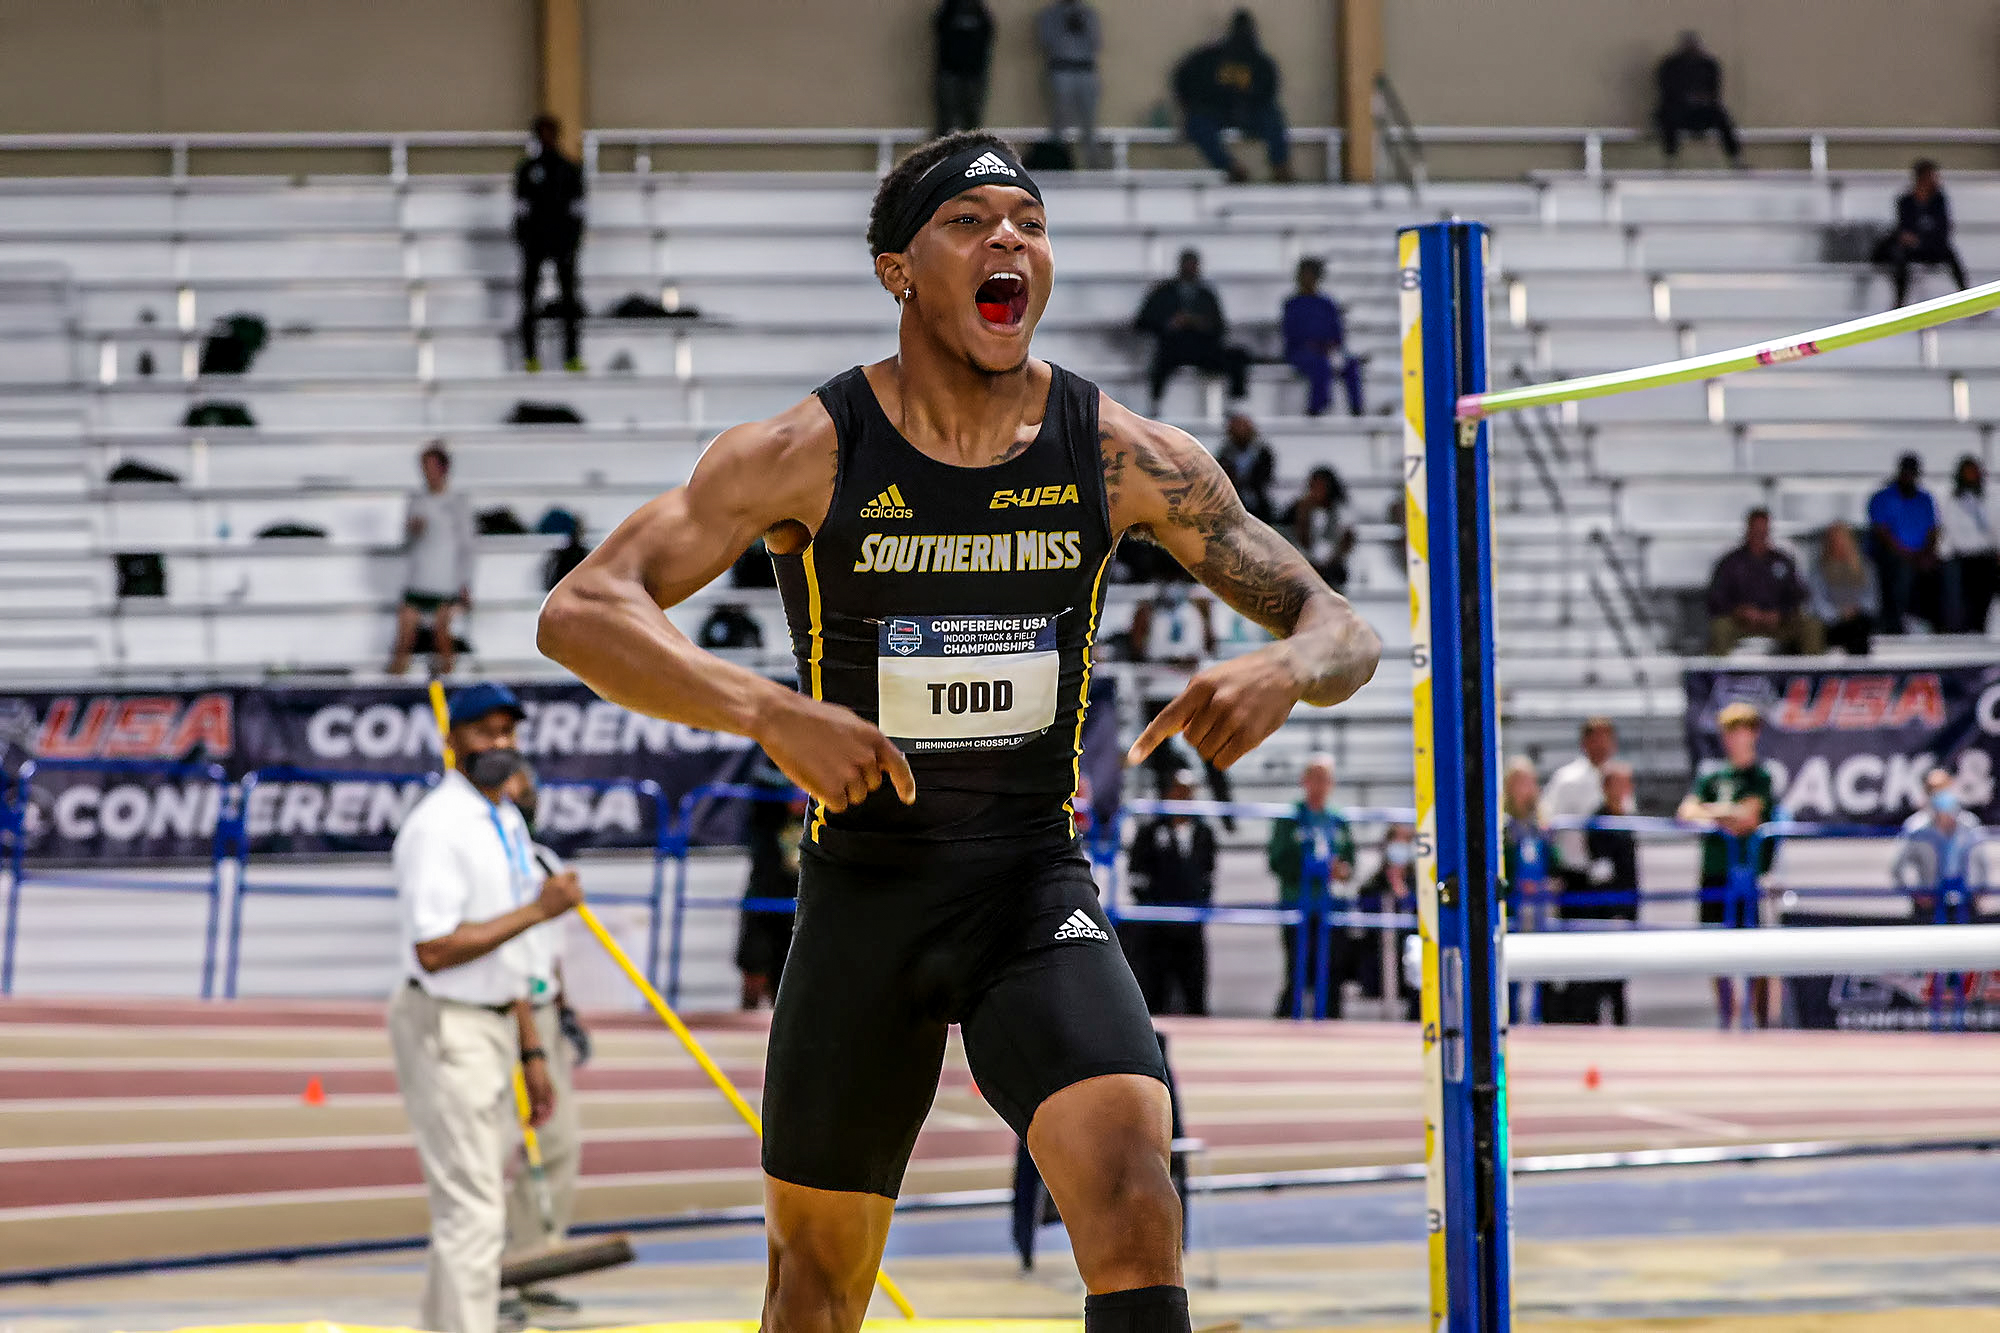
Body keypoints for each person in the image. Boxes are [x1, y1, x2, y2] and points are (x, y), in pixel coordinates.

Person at [536, 131, 1381, 1333]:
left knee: (1137, 1186)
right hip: (866, 894)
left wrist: (1290, 664)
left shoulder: (1119, 452)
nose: (1008, 242)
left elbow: (1337, 621)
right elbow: (581, 608)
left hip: (1027, 883)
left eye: (1028, 224)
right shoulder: (804, 451)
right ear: (897, 269)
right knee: (814, 1288)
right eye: (970, 221)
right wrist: (765, 708)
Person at [387, 683, 584, 1333]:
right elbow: (436, 948)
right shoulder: (437, 828)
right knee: (472, 1210)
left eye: (508, 733)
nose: (499, 745)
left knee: (473, 1208)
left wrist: (532, 1048)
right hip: (450, 1022)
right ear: (452, 740)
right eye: (483, 732)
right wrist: (540, 908)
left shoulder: (503, 816)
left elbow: (517, 955)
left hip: (499, 1019)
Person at [501, 763, 588, 1322]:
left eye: (528, 784)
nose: (525, 793)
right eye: (515, 784)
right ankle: (498, 1279)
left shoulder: (544, 862)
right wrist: (527, 1044)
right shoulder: (489, 864)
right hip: (501, 1014)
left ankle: (537, 1266)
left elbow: (549, 948)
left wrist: (565, 1006)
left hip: (543, 1011)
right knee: (503, 1152)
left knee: (559, 1144)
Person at [1678, 701, 1777, 1030]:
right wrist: (1725, 814)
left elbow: (1749, 817)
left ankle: (1762, 1021)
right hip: (1712, 873)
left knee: (1757, 951)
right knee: (1713, 949)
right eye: (1729, 731)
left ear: (1754, 734)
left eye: (1740, 731)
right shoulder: (1711, 774)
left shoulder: (1760, 776)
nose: (1734, 739)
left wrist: (1713, 814)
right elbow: (1687, 813)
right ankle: (1727, 1018)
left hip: (1746, 874)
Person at [1128, 580, 1233, 814]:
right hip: (1158, 691)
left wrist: (1205, 616)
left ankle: (1228, 814)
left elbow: (1210, 646)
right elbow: (1137, 649)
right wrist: (1171, 661)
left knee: (1212, 751)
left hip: (1191, 691)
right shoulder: (1148, 607)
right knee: (1160, 759)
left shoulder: (1197, 605)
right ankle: (1164, 815)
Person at [1266, 754, 1355, 1019]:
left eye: (1325, 779)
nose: (1319, 785)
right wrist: (1310, 868)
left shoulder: (1339, 819)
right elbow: (1276, 860)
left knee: (1332, 969)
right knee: (1297, 967)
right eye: (1314, 778)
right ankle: (1286, 1023)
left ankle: (1333, 1024)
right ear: (1303, 781)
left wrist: (1342, 870)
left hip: (1332, 906)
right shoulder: (1289, 818)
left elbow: (1350, 862)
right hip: (1297, 903)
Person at [1553, 760, 1640, 1026]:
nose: (1626, 788)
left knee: (1620, 978)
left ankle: (1619, 1026)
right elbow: (1601, 870)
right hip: (1607, 906)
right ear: (1606, 787)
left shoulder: (1625, 817)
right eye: (1619, 783)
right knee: (1601, 976)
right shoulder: (1599, 821)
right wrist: (1613, 910)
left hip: (1625, 902)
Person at [1122, 770, 1216, 1016]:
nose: (1183, 797)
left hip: (1190, 927)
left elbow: (1207, 875)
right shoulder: (1150, 831)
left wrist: (1198, 907)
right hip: (1156, 928)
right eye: (1178, 790)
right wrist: (1154, 908)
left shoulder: (1204, 833)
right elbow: (1137, 877)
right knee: (1154, 996)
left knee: (1195, 995)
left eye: (1189, 792)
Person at [1172, 10, 1292, 183]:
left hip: (1249, 113)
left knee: (1273, 117)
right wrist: (1190, 105)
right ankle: (1231, 167)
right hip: (1215, 112)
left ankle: (1280, 166)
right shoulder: (1210, 58)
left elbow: (1269, 92)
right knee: (1197, 124)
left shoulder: (1260, 63)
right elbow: (1184, 77)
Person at [389, 442, 476, 678]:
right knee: (403, 640)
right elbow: (406, 542)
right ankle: (392, 694)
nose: (427, 473)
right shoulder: (416, 501)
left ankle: (447, 696)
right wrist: (412, 531)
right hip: (419, 581)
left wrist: (465, 584)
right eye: (424, 467)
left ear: (443, 468)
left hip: (445, 583)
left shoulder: (458, 502)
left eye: (430, 467)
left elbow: (466, 547)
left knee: (442, 641)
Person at [1134, 249, 1249, 413]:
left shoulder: (1206, 294)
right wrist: (1170, 323)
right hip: (1173, 346)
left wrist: (1199, 323)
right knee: (1159, 364)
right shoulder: (1163, 293)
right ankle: (1155, 404)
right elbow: (1142, 322)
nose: (1190, 268)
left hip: (1202, 347)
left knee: (1238, 357)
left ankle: (1236, 406)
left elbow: (1219, 326)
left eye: (1193, 265)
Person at [514, 115, 586, 374]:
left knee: (569, 302)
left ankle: (572, 357)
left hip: (562, 244)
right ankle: (530, 357)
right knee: (529, 302)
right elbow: (520, 212)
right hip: (534, 244)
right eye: (541, 133)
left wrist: (572, 243)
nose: (545, 138)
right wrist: (524, 241)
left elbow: (578, 212)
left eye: (549, 133)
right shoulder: (526, 170)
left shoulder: (570, 169)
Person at [1705, 507, 1824, 655]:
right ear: (1748, 530)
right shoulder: (1730, 562)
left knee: (1811, 626)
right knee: (1720, 627)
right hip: (1742, 623)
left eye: (1763, 530)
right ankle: (1717, 676)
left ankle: (1812, 675)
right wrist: (1740, 611)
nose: (1760, 534)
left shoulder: (1782, 560)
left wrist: (1780, 614)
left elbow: (1798, 595)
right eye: (1756, 530)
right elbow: (1716, 598)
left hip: (1778, 623)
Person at [738, 771, 806, 1009]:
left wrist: (810, 792)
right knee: (754, 971)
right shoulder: (767, 811)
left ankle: (777, 1035)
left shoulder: (818, 814)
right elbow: (758, 777)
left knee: (787, 982)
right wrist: (792, 786)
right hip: (764, 898)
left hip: (797, 905)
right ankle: (745, 1026)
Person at [1893, 768, 1987, 922]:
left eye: (1944, 788)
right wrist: (1916, 894)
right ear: (1928, 794)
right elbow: (1897, 868)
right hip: (1930, 902)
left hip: (1965, 901)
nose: (1941, 794)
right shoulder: (1915, 828)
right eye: (1935, 790)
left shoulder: (1970, 825)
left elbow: (1982, 863)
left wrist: (1980, 890)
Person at [1500, 759, 1556, 1014]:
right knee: (1509, 969)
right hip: (1513, 905)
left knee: (1541, 967)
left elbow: (1554, 860)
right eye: (1521, 782)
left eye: (1530, 782)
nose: (1527, 788)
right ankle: (1507, 1016)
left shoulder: (1540, 824)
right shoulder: (1503, 827)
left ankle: (1538, 1018)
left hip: (1538, 907)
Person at [1874, 160, 1969, 308]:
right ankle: (1900, 302)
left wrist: (1922, 239)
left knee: (1951, 254)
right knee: (1898, 257)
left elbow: (1943, 229)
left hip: (1933, 246)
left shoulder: (1939, 200)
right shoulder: (1905, 201)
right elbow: (1904, 228)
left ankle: (1965, 295)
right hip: (1913, 248)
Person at [1540, 717, 1617, 891]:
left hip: (1610, 872)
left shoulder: (1619, 777)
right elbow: (1547, 819)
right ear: (1585, 742)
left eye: (1606, 738)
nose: (1602, 745)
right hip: (1574, 871)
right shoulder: (1566, 779)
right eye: (1596, 739)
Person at [1867, 453, 1941, 634]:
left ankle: (1935, 626)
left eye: (1913, 473)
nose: (1909, 477)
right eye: (1906, 473)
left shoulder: (1925, 499)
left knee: (1942, 570)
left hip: (1919, 554)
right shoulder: (1882, 497)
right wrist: (1907, 554)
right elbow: (1881, 532)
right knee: (1901, 570)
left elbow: (1933, 530)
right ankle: (1896, 624)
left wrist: (1926, 553)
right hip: (1892, 554)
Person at [1351, 823, 1419, 1021]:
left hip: (1409, 952)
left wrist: (1403, 893)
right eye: (1396, 841)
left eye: (1405, 841)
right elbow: (1364, 915)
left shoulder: (1419, 884)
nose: (1400, 846)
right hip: (1379, 955)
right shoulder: (1373, 884)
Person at [1281, 258, 1363, 417]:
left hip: (1328, 350)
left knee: (1351, 364)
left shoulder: (1327, 304)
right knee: (1320, 365)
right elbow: (1291, 333)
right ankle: (1316, 408)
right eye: (1304, 276)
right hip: (1300, 352)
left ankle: (1357, 409)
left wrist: (1331, 346)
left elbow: (1337, 333)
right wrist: (1314, 345)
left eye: (1311, 276)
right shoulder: (1292, 304)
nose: (1308, 280)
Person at [1653, 31, 1741, 167]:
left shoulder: (1709, 65)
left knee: (1721, 115)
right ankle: (1670, 160)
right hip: (1678, 109)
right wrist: (1686, 99)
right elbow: (1666, 91)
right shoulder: (1670, 65)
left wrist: (1702, 100)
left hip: (1702, 111)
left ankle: (1735, 159)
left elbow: (1714, 92)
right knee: (1669, 115)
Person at [1037, 0, 1103, 169]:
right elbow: (1045, 41)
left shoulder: (1088, 14)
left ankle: (1093, 166)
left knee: (1089, 121)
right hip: (1062, 68)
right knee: (1060, 120)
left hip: (1086, 70)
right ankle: (1058, 164)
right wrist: (1065, 25)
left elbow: (1097, 42)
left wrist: (1081, 24)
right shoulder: (1050, 14)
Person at [1937, 455, 1998, 635]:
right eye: (1968, 473)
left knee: (1984, 601)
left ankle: (1982, 631)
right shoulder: (1951, 502)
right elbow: (1954, 534)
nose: (1973, 477)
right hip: (1962, 558)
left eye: (1975, 473)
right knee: (1963, 603)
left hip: (1985, 557)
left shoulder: (1989, 500)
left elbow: (1995, 529)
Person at [1807, 521, 1880, 656]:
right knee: (1853, 631)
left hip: (1859, 620)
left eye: (1841, 541)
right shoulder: (1819, 570)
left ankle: (1859, 670)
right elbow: (1816, 604)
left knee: (1859, 627)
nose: (1838, 546)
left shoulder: (1866, 568)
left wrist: (1855, 610)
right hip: (1831, 624)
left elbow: (1872, 602)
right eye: (1834, 541)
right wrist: (1840, 613)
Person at [1282, 466, 1354, 591]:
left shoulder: (1341, 512)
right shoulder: (1299, 509)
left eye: (1321, 486)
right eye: (1314, 486)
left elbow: (1346, 544)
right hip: (1306, 564)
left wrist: (1328, 563)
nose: (1317, 490)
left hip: (1332, 567)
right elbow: (1299, 540)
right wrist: (1303, 514)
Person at [933, 0, 995, 137]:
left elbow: (988, 36)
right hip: (950, 73)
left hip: (974, 74)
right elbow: (939, 30)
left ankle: (971, 150)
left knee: (972, 119)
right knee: (946, 120)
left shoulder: (980, 12)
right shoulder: (948, 10)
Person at [1215, 412, 1275, 523]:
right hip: (1231, 499)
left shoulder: (1263, 453)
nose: (1241, 431)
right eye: (1237, 428)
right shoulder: (1225, 453)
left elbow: (1265, 477)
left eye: (1244, 427)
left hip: (1258, 500)